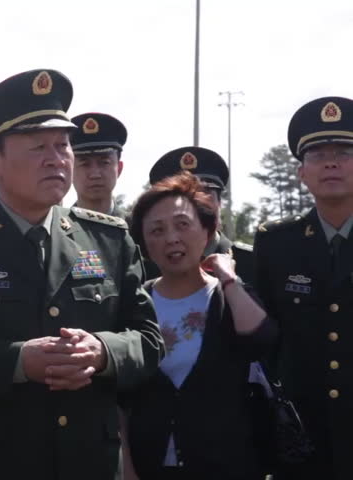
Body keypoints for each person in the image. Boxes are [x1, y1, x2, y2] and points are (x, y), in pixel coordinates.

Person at [0, 69, 163, 479]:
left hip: (86, 461)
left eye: (62, 145)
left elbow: (147, 338)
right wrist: (17, 361)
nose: (56, 158)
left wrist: (102, 351)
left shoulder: (108, 238)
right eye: (38, 147)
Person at [123, 172, 277, 480]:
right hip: (150, 465)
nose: (171, 238)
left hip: (227, 465)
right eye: (157, 229)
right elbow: (119, 400)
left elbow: (262, 339)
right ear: (144, 242)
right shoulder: (134, 304)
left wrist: (229, 279)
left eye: (183, 225)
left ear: (208, 231)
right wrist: (126, 470)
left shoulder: (227, 297)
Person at [254, 96, 353, 480]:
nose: (331, 162)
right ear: (301, 173)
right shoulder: (276, 244)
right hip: (303, 439)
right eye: (317, 155)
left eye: (344, 152)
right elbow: (265, 342)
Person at [147, 147, 255, 284]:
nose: (195, 205)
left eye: (204, 193)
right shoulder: (147, 267)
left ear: (219, 202)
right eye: (181, 198)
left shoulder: (252, 263)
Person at [70, 112, 128, 218]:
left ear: (119, 169)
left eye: (104, 162)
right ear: (69, 171)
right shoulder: (54, 231)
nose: (95, 174)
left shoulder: (138, 230)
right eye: (85, 164)